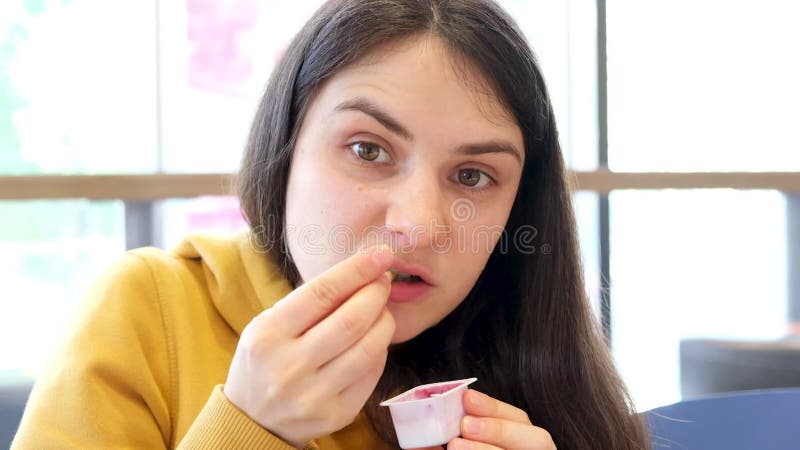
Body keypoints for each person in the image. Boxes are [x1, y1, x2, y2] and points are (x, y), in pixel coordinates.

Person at [13, 0, 651, 449]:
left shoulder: (534, 360)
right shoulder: (152, 309)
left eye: (473, 176)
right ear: (287, 146)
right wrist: (250, 429)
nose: (419, 226)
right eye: (369, 150)